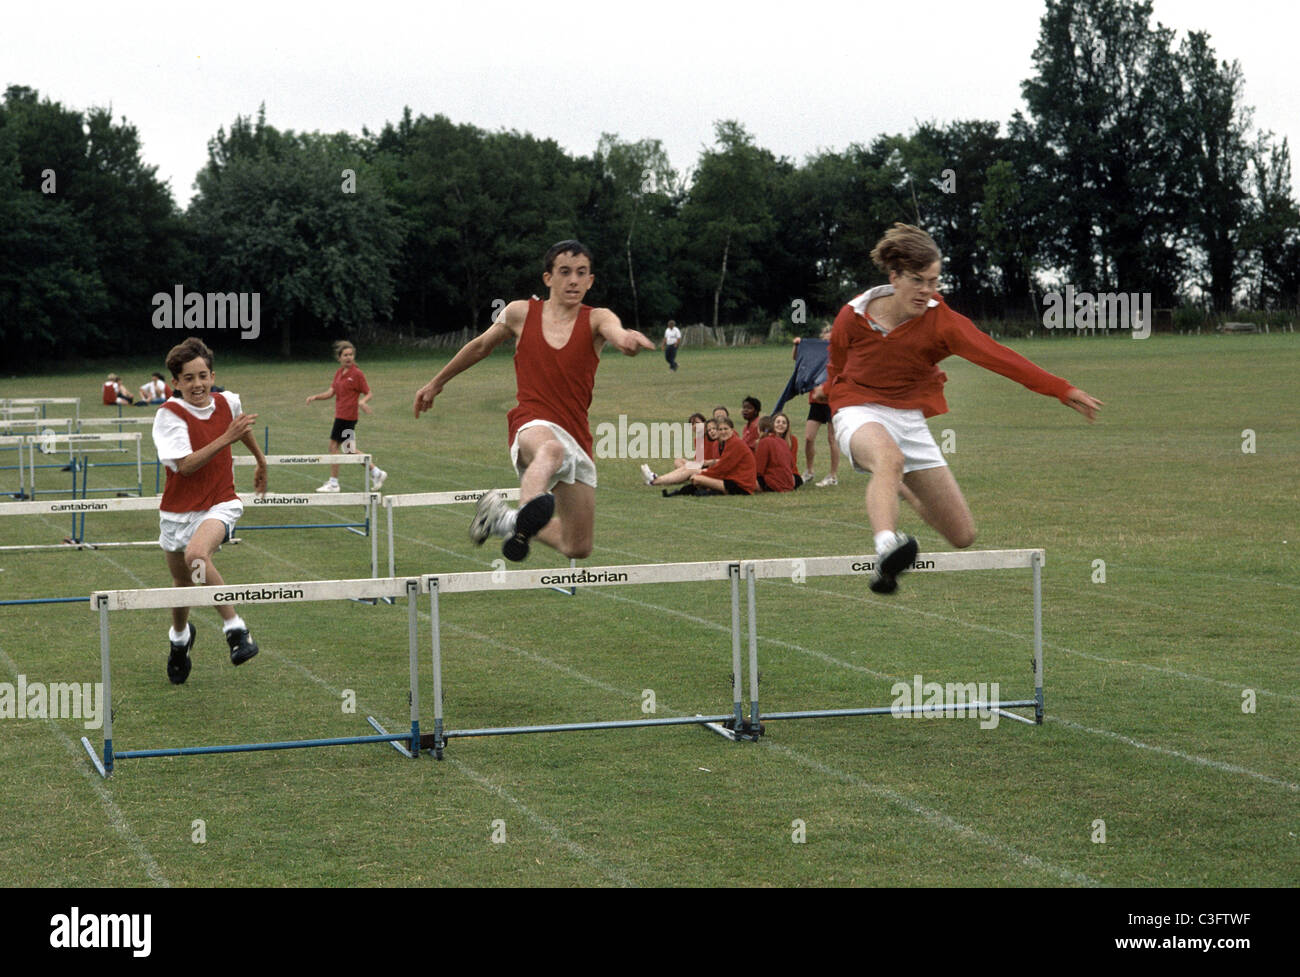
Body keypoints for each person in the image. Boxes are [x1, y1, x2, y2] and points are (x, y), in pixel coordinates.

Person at [824, 223, 1103, 594]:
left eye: (934, 281)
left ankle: (897, 489)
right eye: (918, 281)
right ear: (894, 276)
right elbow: (836, 365)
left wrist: (1061, 389)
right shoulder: (853, 315)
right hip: (859, 409)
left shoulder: (944, 323)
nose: (927, 291)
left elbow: (998, 357)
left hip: (908, 417)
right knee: (888, 458)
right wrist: (833, 406)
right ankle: (886, 547)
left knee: (962, 534)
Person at [413, 240, 653, 561]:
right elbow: (481, 346)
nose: (573, 280)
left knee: (577, 545)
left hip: (576, 434)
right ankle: (528, 507)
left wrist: (629, 341)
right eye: (564, 272)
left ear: (590, 280)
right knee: (551, 449)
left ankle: (505, 519)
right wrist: (436, 383)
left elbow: (618, 334)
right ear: (548, 278)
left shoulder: (597, 318)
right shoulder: (520, 312)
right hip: (531, 422)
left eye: (581, 273)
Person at [152, 336, 268, 684]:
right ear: (175, 383)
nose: (198, 384)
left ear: (212, 375)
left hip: (221, 501)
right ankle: (180, 638)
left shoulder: (228, 401)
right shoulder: (168, 415)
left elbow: (239, 427)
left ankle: (236, 629)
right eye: (188, 378)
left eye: (203, 376)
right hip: (177, 510)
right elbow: (185, 466)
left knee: (197, 556)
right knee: (181, 581)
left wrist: (260, 461)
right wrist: (226, 439)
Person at [307, 340, 387, 492]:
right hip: (341, 415)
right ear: (339, 358)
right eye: (345, 355)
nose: (348, 358)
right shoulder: (339, 373)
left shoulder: (357, 374)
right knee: (349, 450)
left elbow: (368, 392)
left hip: (347, 416)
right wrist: (315, 397)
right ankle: (377, 473)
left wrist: (363, 402)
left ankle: (334, 483)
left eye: (351, 355)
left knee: (333, 447)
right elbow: (331, 393)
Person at [648, 417, 756, 495]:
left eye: (698, 423)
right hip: (719, 472)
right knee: (680, 462)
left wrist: (705, 470)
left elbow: (722, 466)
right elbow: (703, 460)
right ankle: (656, 479)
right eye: (692, 424)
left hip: (738, 483)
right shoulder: (705, 440)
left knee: (694, 474)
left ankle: (655, 480)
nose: (695, 426)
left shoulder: (732, 442)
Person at [753, 416, 797, 492]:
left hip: (773, 483)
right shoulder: (782, 441)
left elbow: (759, 469)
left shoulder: (764, 442)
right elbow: (791, 464)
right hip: (788, 483)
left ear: (759, 429)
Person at [771, 411, 800, 483]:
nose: (780, 424)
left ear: (787, 426)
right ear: (773, 424)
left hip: (789, 471)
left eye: (784, 423)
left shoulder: (793, 440)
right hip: (772, 471)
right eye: (778, 422)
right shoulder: (768, 439)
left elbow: (793, 461)